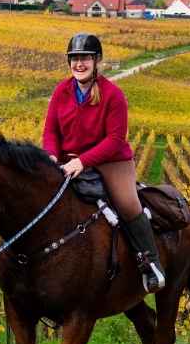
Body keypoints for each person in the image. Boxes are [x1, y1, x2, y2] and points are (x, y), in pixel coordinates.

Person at [42, 33, 165, 292]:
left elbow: (115, 140)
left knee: (128, 204)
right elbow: (51, 131)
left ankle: (151, 264)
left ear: (96, 60)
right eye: (74, 59)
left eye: (85, 58)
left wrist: (83, 161)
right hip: (69, 161)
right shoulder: (61, 92)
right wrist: (51, 156)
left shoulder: (113, 95)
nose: (79, 64)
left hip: (111, 161)